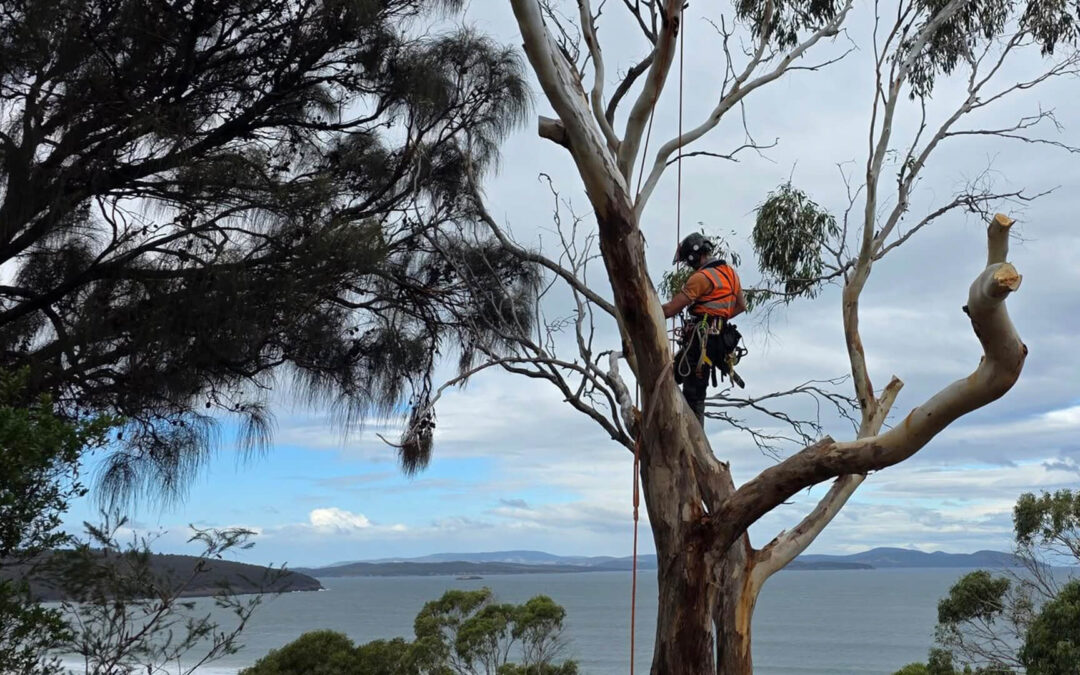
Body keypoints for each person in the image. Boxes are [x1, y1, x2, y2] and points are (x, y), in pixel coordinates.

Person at [661, 233, 747, 425]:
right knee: (673, 374)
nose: (687, 265)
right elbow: (741, 306)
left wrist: (645, 312)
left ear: (693, 256)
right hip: (716, 342)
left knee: (693, 396)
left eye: (687, 261)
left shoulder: (701, 277)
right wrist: (718, 319)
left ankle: (695, 447)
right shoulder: (730, 273)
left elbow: (670, 309)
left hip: (701, 344)